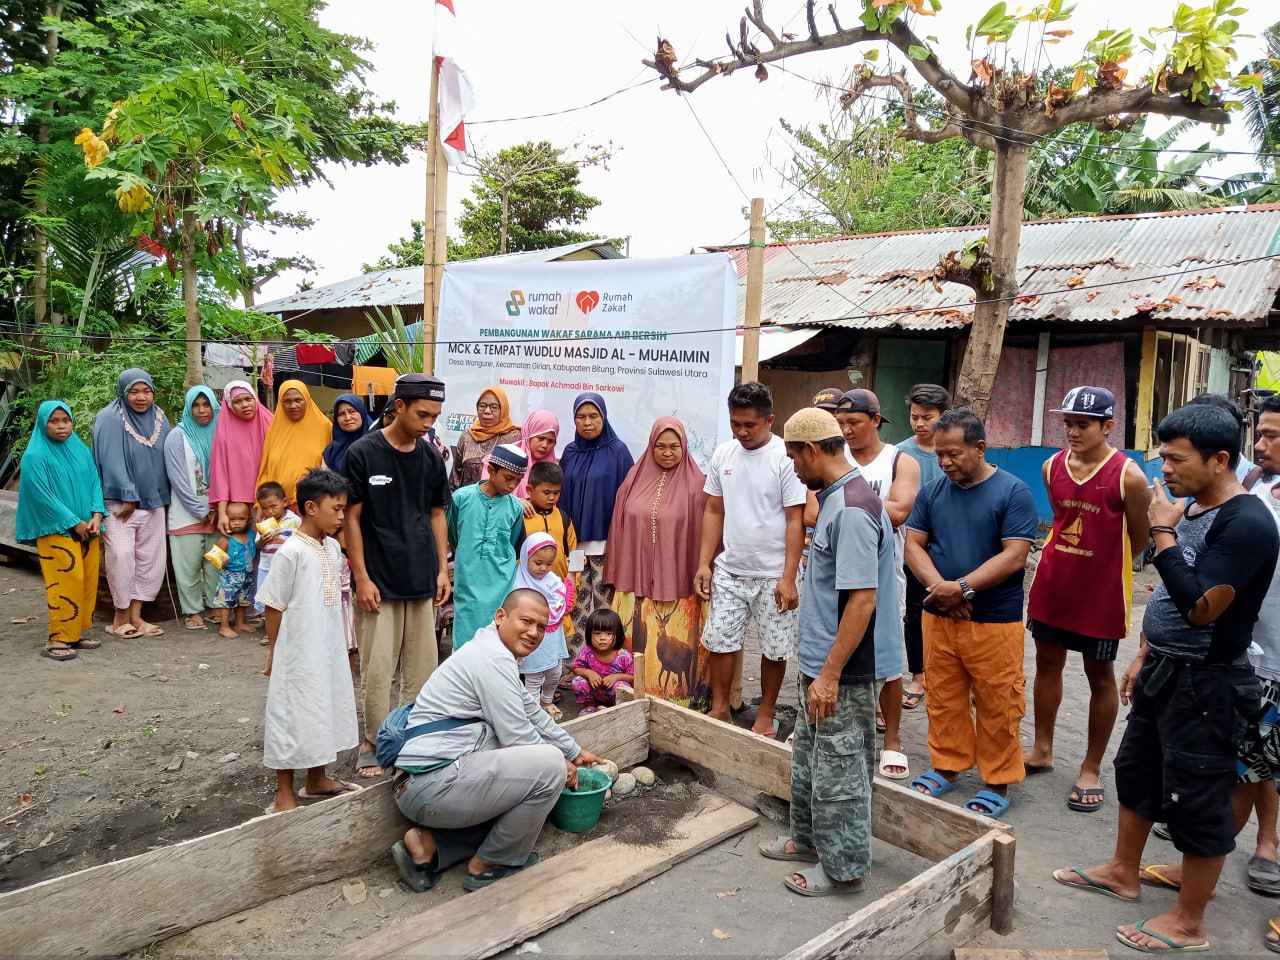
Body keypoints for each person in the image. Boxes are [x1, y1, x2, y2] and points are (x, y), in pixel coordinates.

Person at [1055, 403, 1279, 955]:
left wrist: (1160, 530)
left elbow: (1201, 606)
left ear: (1220, 459)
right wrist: (1145, 653)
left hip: (1208, 682)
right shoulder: (1195, 508)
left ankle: (1189, 922)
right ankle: (1122, 872)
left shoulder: (1246, 522)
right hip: (1166, 670)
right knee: (1136, 773)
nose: (1165, 469)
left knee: (1199, 798)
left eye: (1177, 459)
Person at [760, 407, 895, 896]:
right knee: (812, 760)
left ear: (813, 450)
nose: (793, 468)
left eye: (794, 457)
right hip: (822, 662)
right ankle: (808, 841)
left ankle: (845, 871)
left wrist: (832, 673)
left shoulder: (855, 509)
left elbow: (863, 599)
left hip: (846, 669)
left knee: (841, 772)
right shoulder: (836, 498)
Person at [388, 589, 604, 893]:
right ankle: (490, 863)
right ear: (501, 616)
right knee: (549, 770)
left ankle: (428, 845)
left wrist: (574, 750)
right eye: (526, 621)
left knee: (533, 780)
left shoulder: (494, 651)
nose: (534, 632)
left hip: (422, 782)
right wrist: (562, 764)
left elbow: (533, 713)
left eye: (541, 627)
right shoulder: (492, 660)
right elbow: (519, 736)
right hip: (431, 785)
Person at [904, 408, 1037, 818]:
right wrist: (940, 590)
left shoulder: (1014, 492)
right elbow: (913, 545)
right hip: (939, 613)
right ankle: (948, 765)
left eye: (952, 454)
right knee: (943, 697)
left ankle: (998, 780)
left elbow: (1015, 556)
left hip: (994, 619)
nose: (944, 463)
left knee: (999, 700)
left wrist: (962, 588)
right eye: (939, 455)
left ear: (979, 448)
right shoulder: (932, 492)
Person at [1024, 386, 1151, 812]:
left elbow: (1141, 537)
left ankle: (1091, 766)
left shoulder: (1128, 475)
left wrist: (1107, 567)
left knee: (1100, 675)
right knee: (1046, 664)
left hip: (1101, 594)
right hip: (1054, 583)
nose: (1073, 432)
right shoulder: (1051, 466)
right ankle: (1042, 748)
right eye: (1069, 424)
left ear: (1108, 426)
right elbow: (1061, 520)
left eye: (1084, 424)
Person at [343, 373, 452, 778]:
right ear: (400, 407)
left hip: (421, 576)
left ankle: (412, 736)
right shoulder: (363, 453)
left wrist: (442, 569)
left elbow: (437, 513)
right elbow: (350, 518)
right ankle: (373, 741)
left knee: (422, 667)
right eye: (422, 414)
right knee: (377, 666)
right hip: (378, 579)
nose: (428, 423)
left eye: (434, 416)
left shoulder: (430, 458)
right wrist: (361, 576)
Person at [695, 381, 806, 737]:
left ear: (770, 420)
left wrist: (788, 577)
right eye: (735, 423)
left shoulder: (785, 458)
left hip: (775, 573)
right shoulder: (723, 455)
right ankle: (721, 707)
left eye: (750, 425)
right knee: (719, 640)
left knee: (775, 648)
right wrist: (704, 563)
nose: (741, 432)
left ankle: (766, 712)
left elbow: (795, 519)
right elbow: (714, 509)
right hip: (730, 569)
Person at [258, 468, 361, 814]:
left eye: (344, 508)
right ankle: (283, 792)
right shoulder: (291, 552)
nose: (341, 516)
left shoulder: (331, 547)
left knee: (322, 706)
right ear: (311, 507)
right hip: (297, 648)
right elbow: (273, 605)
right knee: (291, 714)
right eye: (336, 509)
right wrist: (276, 651)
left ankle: (317, 778)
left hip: (327, 645)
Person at [834, 388, 918, 782]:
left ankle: (893, 740)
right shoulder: (835, 454)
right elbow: (813, 508)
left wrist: (846, 496)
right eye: (841, 423)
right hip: (834, 572)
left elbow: (900, 512)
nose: (846, 430)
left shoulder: (900, 461)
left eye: (854, 422)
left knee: (888, 656)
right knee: (830, 646)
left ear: (876, 420)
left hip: (886, 573)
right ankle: (824, 726)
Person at [606, 416, 712, 708]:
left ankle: (681, 701)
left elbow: (707, 535)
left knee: (675, 649)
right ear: (651, 446)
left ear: (684, 446)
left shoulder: (698, 486)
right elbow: (619, 526)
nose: (667, 453)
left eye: (674, 446)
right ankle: (630, 694)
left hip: (680, 585)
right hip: (635, 582)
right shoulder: (633, 479)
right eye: (660, 446)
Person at [17, 401, 104, 660]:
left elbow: (94, 482)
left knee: (88, 580)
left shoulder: (79, 449)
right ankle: (57, 637)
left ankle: (76, 632)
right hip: (55, 529)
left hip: (88, 527)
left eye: (65, 420)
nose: (61, 426)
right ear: (44, 424)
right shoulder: (35, 455)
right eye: (54, 421)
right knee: (66, 579)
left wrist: (97, 514)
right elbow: (42, 497)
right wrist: (73, 522)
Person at [92, 368, 171, 639]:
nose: (141, 397)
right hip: (119, 504)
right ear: (123, 392)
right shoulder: (109, 418)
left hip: (154, 501)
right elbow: (109, 458)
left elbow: (165, 459)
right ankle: (119, 617)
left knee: (150, 559)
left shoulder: (160, 418)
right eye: (134, 392)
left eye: (146, 391)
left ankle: (136, 616)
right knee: (122, 558)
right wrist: (128, 495)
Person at [560, 392, 635, 623]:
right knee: (575, 608)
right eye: (581, 417)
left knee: (604, 610)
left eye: (593, 416)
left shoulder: (618, 451)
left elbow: (628, 498)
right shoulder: (570, 452)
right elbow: (561, 497)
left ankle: (604, 659)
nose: (587, 422)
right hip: (575, 548)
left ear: (603, 417)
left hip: (606, 547)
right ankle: (575, 659)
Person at [897, 383, 950, 708]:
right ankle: (918, 676)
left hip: (949, 544)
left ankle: (944, 677)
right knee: (915, 612)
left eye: (927, 417)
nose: (919, 423)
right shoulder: (901, 453)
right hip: (913, 544)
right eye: (914, 416)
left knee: (949, 610)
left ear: (943, 416)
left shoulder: (953, 450)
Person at [449, 443, 527, 651]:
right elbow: (453, 535)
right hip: (469, 579)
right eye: (508, 478)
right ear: (491, 470)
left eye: (517, 481)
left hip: (501, 583)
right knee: (466, 642)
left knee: (497, 640)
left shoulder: (515, 507)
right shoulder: (461, 498)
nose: (512, 486)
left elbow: (511, 542)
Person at [164, 386, 222, 631]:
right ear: (188, 407)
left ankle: (216, 606)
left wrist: (219, 506)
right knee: (187, 566)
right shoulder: (177, 436)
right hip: (186, 513)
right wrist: (201, 510)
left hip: (219, 512)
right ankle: (193, 610)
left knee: (216, 564)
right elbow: (177, 479)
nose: (201, 410)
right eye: (196, 405)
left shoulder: (222, 432)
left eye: (206, 404)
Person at [514, 533, 574, 720]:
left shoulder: (552, 580)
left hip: (552, 637)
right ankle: (533, 712)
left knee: (555, 673)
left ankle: (546, 701)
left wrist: (572, 570)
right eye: (538, 562)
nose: (543, 568)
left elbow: (564, 601)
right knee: (534, 677)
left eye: (548, 564)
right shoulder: (517, 582)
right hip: (532, 639)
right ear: (525, 557)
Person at [523, 461, 579, 645]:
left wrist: (572, 589)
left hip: (559, 597)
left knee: (559, 657)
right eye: (546, 493)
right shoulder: (520, 516)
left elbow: (574, 552)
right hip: (529, 596)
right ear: (530, 490)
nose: (552, 498)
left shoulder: (563, 518)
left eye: (556, 493)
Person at [209, 381, 272, 535]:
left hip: (270, 502)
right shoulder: (224, 433)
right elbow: (220, 474)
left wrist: (265, 504)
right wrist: (223, 513)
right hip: (238, 511)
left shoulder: (270, 423)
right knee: (244, 555)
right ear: (230, 405)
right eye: (237, 401)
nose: (244, 405)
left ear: (255, 399)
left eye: (248, 399)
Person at [256, 380, 332, 510]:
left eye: (298, 400)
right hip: (277, 509)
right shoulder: (274, 430)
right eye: (287, 401)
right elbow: (266, 470)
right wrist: (260, 504)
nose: (293, 405)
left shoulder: (325, 428)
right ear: (280, 402)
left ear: (307, 400)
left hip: (313, 506)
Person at [252, 481, 300, 633]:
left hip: (287, 568)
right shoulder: (264, 523)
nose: (270, 511)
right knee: (266, 599)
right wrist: (262, 540)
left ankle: (286, 630)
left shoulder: (295, 520)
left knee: (286, 597)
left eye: (273, 506)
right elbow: (257, 546)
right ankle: (270, 632)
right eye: (265, 508)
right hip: (266, 567)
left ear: (284, 502)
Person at [451, 386, 520, 489]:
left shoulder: (515, 437)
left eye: (494, 407)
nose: (487, 411)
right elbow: (455, 477)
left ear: (503, 409)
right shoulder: (467, 436)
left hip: (501, 503)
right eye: (482, 406)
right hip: (466, 502)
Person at [569, 608, 635, 715]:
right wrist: (589, 673)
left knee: (621, 685)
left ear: (617, 634)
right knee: (578, 681)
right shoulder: (587, 652)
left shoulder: (624, 656)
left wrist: (617, 677)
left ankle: (618, 710)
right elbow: (576, 668)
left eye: (609, 634)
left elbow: (633, 677)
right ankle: (590, 707)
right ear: (589, 634)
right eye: (597, 633)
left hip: (616, 696)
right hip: (596, 693)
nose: (602, 638)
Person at [210, 502, 257, 638]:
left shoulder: (250, 534)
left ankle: (240, 623)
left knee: (242, 600)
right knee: (226, 601)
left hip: (247, 574)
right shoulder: (226, 539)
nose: (237, 523)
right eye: (232, 519)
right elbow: (213, 556)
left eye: (241, 519)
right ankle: (224, 627)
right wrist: (221, 559)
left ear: (249, 519)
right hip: (230, 576)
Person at [506, 409, 559, 504]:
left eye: (551, 441)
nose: (545, 445)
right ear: (529, 435)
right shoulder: (507, 458)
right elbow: (491, 492)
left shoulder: (554, 467)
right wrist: (517, 502)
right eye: (540, 438)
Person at [322, 394, 374, 472]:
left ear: (361, 413)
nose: (348, 418)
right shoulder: (331, 452)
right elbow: (324, 481)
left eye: (352, 411)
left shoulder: (376, 443)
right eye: (342, 414)